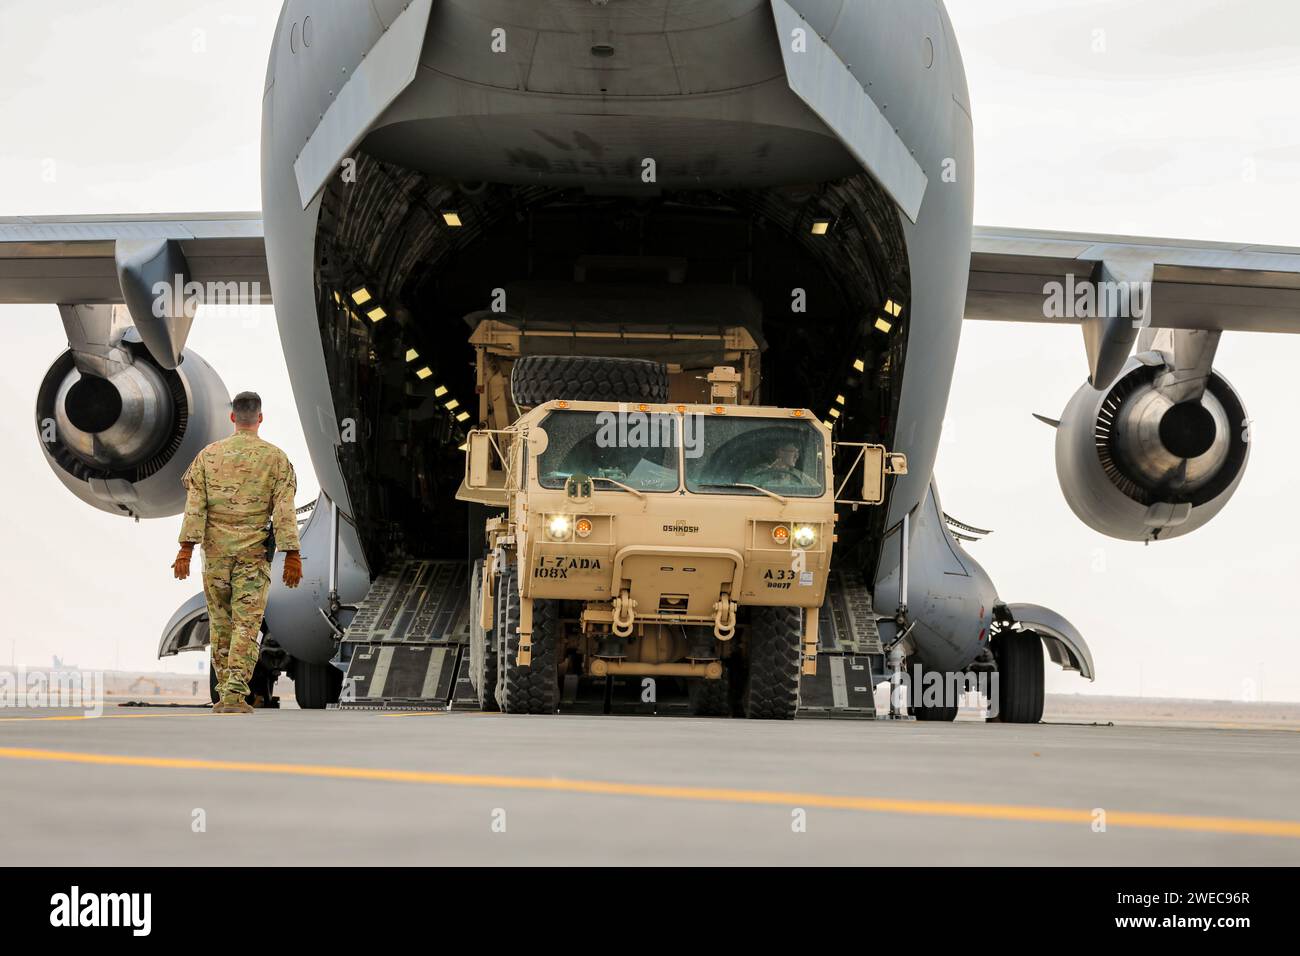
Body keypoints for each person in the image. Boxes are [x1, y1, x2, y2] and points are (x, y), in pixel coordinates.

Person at [171, 392, 303, 715]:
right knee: (247, 625)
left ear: (232, 417)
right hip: (252, 559)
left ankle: (223, 695)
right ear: (260, 418)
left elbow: (195, 507)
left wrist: (185, 550)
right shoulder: (276, 460)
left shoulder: (208, 457)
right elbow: (284, 513)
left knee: (220, 624)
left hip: (214, 558)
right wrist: (292, 555)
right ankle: (233, 696)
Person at [742, 438, 815, 488]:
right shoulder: (759, 471)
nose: (797, 456)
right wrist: (768, 473)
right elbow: (743, 486)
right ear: (780, 453)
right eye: (793, 451)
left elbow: (816, 488)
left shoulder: (800, 475)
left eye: (798, 452)